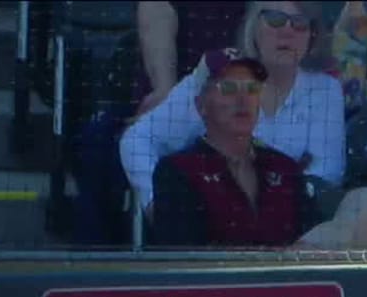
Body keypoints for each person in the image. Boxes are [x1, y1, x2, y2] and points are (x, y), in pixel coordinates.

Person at [147, 49, 367, 249]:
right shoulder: (178, 171)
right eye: (229, 89)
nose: (243, 100)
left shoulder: (283, 167)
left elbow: (309, 240)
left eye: (252, 89)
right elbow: (184, 263)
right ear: (201, 105)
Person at [122, 2, 346, 216]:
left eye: (299, 23)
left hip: (290, 224)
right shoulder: (215, 77)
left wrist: (270, 206)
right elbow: (137, 141)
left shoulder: (326, 90)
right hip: (214, 221)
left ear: (311, 36)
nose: (287, 31)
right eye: (275, 20)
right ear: (254, 27)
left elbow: (326, 174)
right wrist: (157, 201)